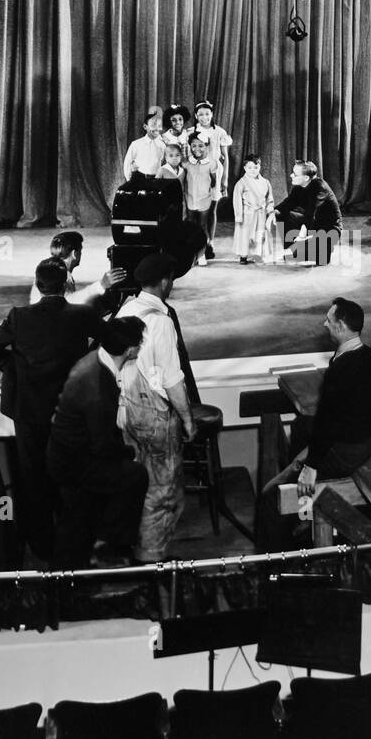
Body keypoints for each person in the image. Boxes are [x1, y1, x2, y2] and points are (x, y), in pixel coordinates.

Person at [0, 258, 110, 560]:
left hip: (29, 410)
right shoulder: (82, 314)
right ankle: (73, 542)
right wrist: (85, 362)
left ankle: (41, 545)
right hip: (68, 410)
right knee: (71, 475)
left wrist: (12, 367)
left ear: (37, 284)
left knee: (33, 478)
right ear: (67, 284)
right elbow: (110, 340)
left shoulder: (19, 316)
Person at [256, 298, 371, 552]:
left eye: (329, 320)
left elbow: (329, 422)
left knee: (272, 497)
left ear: (341, 326)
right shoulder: (368, 356)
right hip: (361, 441)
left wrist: (308, 466)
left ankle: (278, 555)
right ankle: (304, 517)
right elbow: (334, 418)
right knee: (303, 424)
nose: (325, 324)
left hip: (345, 449)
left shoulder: (343, 367)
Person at [47, 316, 150, 569]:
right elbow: (102, 444)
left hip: (69, 455)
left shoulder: (95, 359)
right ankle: (112, 548)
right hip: (75, 463)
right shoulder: (96, 385)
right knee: (135, 476)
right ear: (130, 350)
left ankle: (85, 564)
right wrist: (128, 453)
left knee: (77, 525)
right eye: (141, 342)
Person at [116, 253, 198, 564]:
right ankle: (152, 561)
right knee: (162, 491)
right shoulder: (161, 322)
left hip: (126, 410)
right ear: (165, 282)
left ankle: (137, 546)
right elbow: (172, 379)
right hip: (153, 414)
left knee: (140, 483)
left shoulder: (127, 310)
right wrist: (188, 419)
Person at [27, 231, 127, 306]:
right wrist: (101, 285)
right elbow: (68, 303)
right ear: (75, 254)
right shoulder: (62, 275)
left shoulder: (46, 271)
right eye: (80, 250)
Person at [274, 159, 342, 267]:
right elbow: (289, 202)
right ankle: (292, 248)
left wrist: (303, 234)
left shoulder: (320, 187)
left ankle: (323, 249)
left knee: (322, 260)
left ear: (306, 178)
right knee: (281, 213)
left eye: (295, 174)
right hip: (314, 224)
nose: (291, 175)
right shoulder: (299, 186)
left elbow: (311, 212)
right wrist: (274, 212)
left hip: (329, 229)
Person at [182, 136, 221, 266]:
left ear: (207, 146)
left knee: (203, 225)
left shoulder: (212, 163)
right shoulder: (186, 162)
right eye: (193, 146)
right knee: (191, 225)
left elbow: (214, 181)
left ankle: (202, 253)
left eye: (201, 145)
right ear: (189, 147)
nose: (197, 149)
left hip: (204, 199)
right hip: (190, 199)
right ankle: (191, 253)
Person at [232, 154, 275, 264]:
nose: (253, 170)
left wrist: (270, 211)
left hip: (261, 213)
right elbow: (237, 201)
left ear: (260, 167)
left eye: (256, 167)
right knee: (244, 234)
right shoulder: (241, 183)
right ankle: (243, 255)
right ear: (245, 168)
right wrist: (239, 216)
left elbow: (270, 198)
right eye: (250, 167)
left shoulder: (265, 182)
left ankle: (258, 254)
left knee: (260, 234)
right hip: (247, 213)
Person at [191, 101, 233, 200]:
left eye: (207, 114)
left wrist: (225, 178)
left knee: (215, 200)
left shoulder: (220, 132)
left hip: (215, 170)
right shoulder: (191, 131)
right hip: (197, 170)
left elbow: (225, 157)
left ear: (212, 114)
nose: (204, 117)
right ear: (196, 116)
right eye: (201, 114)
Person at [122, 111, 166, 181]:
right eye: (153, 125)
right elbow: (127, 163)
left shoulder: (163, 145)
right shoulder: (136, 144)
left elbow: (163, 163)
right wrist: (129, 180)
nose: (157, 128)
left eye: (159, 125)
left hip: (156, 180)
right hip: (140, 179)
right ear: (145, 126)